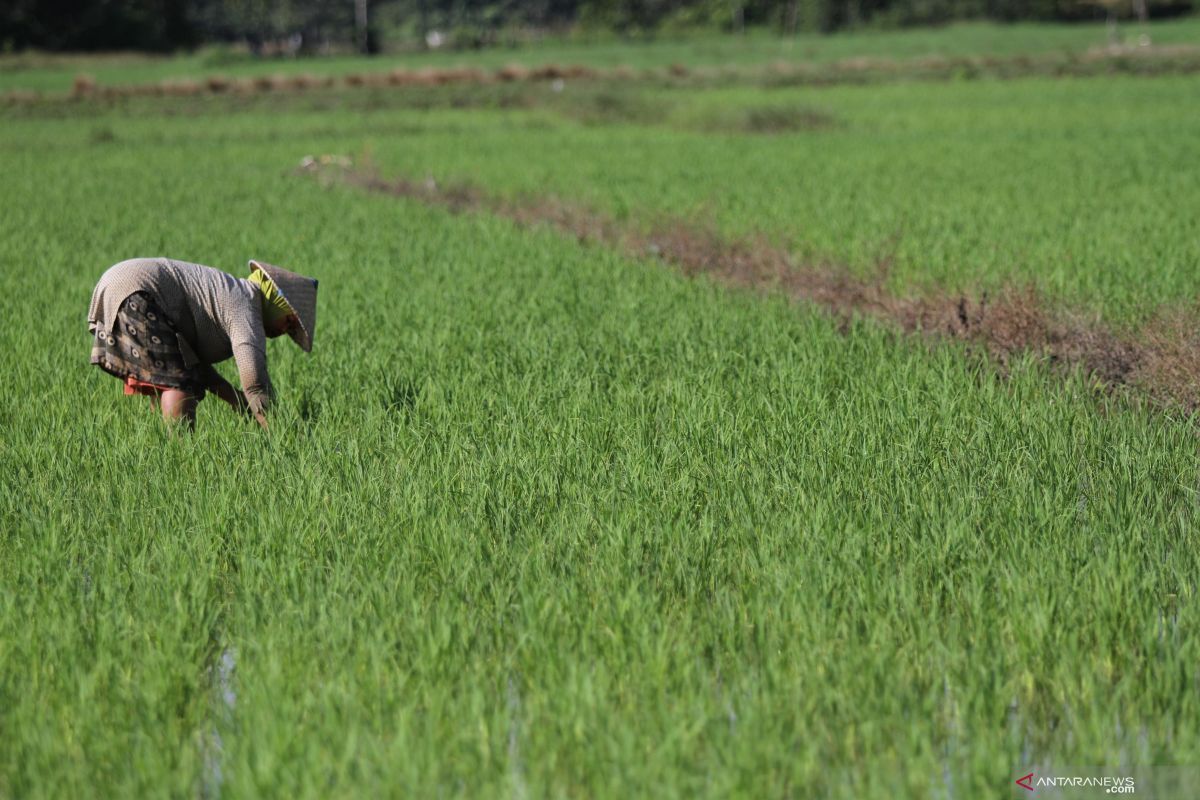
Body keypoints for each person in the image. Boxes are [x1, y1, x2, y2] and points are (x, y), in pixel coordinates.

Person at [88, 258, 318, 429]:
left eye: (291, 330)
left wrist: (237, 401)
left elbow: (195, 365)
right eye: (288, 321)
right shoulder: (247, 305)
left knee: (166, 374)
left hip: (120, 282)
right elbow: (254, 381)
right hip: (138, 291)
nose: (284, 331)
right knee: (178, 382)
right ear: (275, 303)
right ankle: (181, 455)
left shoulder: (234, 292)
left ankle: (160, 447)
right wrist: (279, 431)